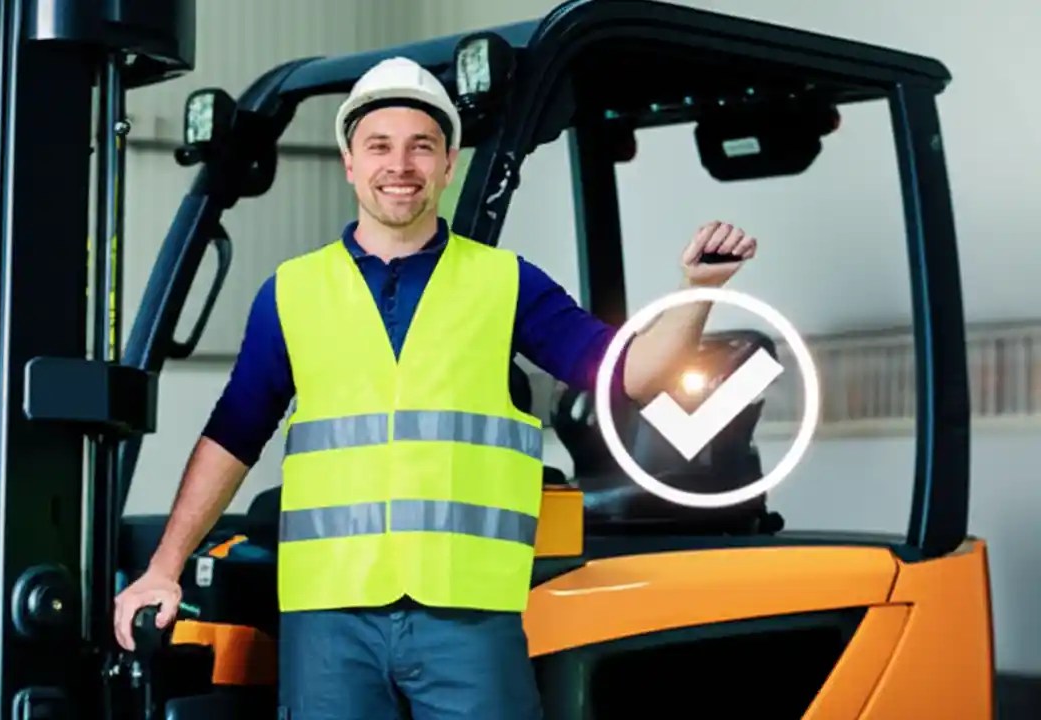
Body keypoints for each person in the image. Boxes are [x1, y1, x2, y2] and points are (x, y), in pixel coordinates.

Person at [113, 56, 757, 719]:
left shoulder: (507, 282)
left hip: (467, 620)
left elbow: (631, 373)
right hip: (331, 623)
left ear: (448, 165)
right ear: (350, 164)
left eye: (422, 147)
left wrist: (696, 292)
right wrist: (166, 567)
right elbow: (234, 432)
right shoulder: (292, 292)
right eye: (379, 147)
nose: (401, 165)